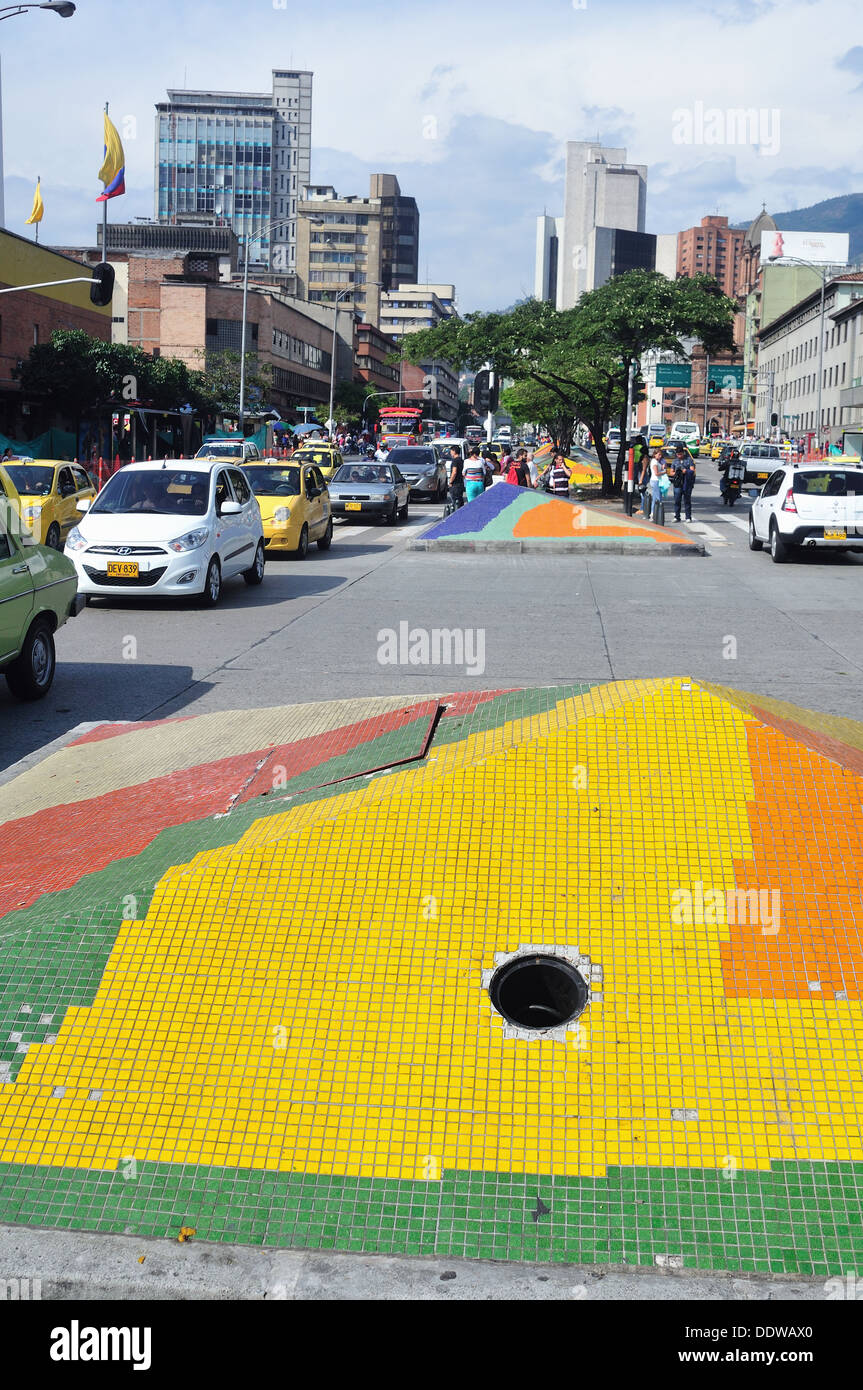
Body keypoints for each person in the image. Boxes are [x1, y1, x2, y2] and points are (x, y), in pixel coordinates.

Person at [672, 444, 696, 522]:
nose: (679, 456)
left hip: (687, 483)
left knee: (687, 500)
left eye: (680, 454)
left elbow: (692, 470)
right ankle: (677, 516)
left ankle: (688, 517)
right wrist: (676, 472)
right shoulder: (675, 461)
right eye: (678, 454)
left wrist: (686, 471)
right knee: (677, 500)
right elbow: (671, 472)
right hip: (678, 483)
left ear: (683, 453)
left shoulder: (689, 460)